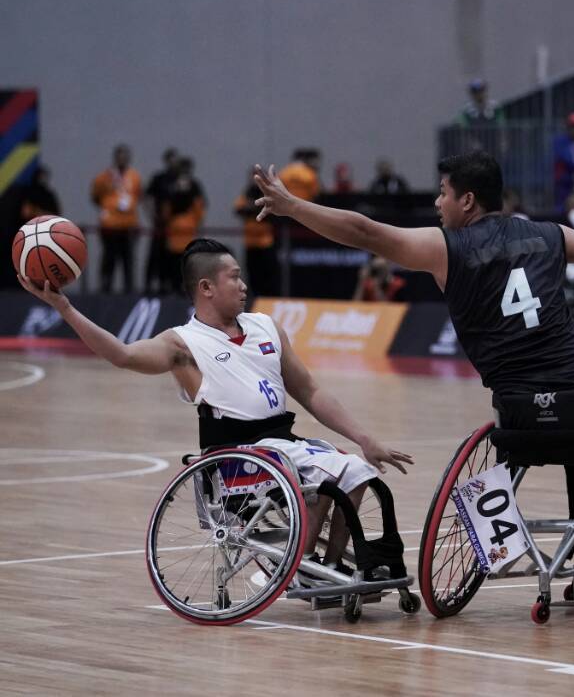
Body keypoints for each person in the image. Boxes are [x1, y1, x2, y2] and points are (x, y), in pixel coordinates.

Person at [251, 149, 574, 607]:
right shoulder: (551, 235)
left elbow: (365, 231)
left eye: (443, 193)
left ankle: (498, 547)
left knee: (520, 445)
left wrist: (294, 208)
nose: (438, 203)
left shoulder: (447, 249)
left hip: (518, 418)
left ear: (467, 200)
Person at [17, 238, 411, 570]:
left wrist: (364, 437)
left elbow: (311, 391)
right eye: (234, 277)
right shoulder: (182, 343)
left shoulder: (265, 326)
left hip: (281, 445)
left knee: (356, 470)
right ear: (206, 288)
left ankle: (326, 570)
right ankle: (300, 567)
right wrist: (64, 308)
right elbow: (122, 355)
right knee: (324, 471)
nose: (243, 285)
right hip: (235, 459)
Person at [91, 144, 141, 294]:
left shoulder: (134, 176)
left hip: (128, 224)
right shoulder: (104, 176)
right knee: (109, 258)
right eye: (120, 156)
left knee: (128, 259)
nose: (122, 159)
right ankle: (105, 288)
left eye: (125, 156)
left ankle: (129, 290)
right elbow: (95, 196)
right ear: (115, 158)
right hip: (110, 225)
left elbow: (137, 196)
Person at [162, 158, 206, 293]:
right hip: (175, 232)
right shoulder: (171, 186)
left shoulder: (195, 186)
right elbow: (166, 210)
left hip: (188, 231)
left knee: (188, 264)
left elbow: (199, 208)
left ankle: (186, 290)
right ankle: (174, 288)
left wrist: (195, 222)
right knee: (174, 265)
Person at [235, 167, 279, 297]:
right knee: (252, 276)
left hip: (265, 242)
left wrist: (251, 208)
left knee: (268, 277)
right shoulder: (248, 192)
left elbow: (272, 212)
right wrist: (254, 208)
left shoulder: (267, 192)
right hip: (250, 243)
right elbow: (238, 209)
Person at [145, 148, 180, 293]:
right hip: (160, 225)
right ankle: (154, 284)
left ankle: (174, 285)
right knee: (155, 254)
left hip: (176, 227)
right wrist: (152, 215)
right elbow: (147, 197)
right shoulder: (159, 178)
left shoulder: (181, 180)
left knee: (174, 256)